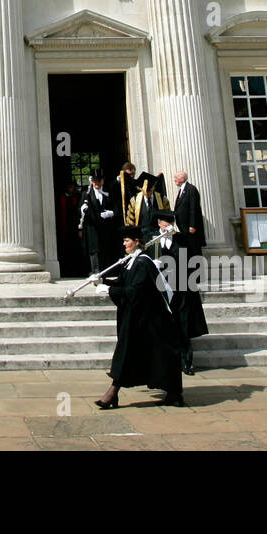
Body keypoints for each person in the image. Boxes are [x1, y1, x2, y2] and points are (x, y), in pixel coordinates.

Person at [94, 226, 186, 409]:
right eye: (123, 241)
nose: (124, 244)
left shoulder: (143, 263)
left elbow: (134, 291)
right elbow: (124, 281)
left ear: (137, 242)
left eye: (127, 240)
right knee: (131, 355)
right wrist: (103, 281)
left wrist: (109, 290)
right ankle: (113, 393)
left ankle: (113, 394)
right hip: (138, 319)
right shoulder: (132, 262)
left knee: (151, 356)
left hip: (150, 321)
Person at [155, 213, 208, 375]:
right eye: (165, 225)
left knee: (183, 324)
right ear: (159, 225)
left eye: (170, 225)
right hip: (163, 291)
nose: (167, 228)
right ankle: (169, 361)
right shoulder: (154, 243)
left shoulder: (182, 239)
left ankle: (186, 362)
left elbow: (192, 263)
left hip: (182, 288)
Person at [79, 170, 120, 274]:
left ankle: (105, 271)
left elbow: (115, 208)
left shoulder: (108, 193)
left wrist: (110, 213)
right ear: (92, 181)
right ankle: (95, 271)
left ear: (102, 181)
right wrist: (83, 209)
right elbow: (80, 210)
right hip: (92, 227)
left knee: (104, 249)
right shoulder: (86, 194)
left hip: (105, 227)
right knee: (94, 250)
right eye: (95, 181)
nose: (97, 183)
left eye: (99, 180)